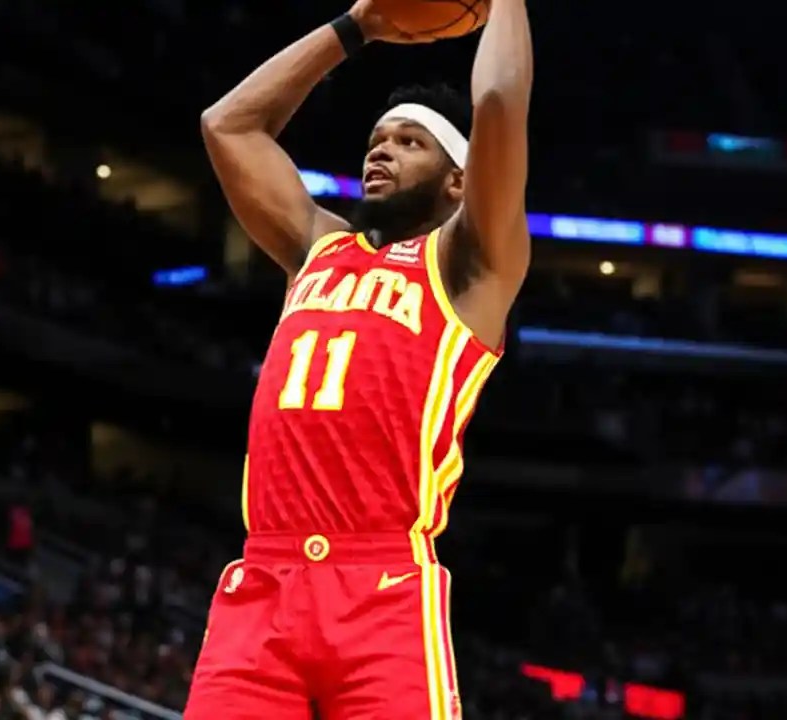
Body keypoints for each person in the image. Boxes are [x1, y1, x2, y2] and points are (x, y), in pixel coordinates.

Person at [188, 0, 532, 717]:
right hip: (265, 579)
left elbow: (499, 102)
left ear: (459, 180)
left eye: (410, 142)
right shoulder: (316, 247)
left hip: (384, 586)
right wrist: (357, 28)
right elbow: (227, 125)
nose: (381, 151)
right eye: (377, 139)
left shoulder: (468, 266)